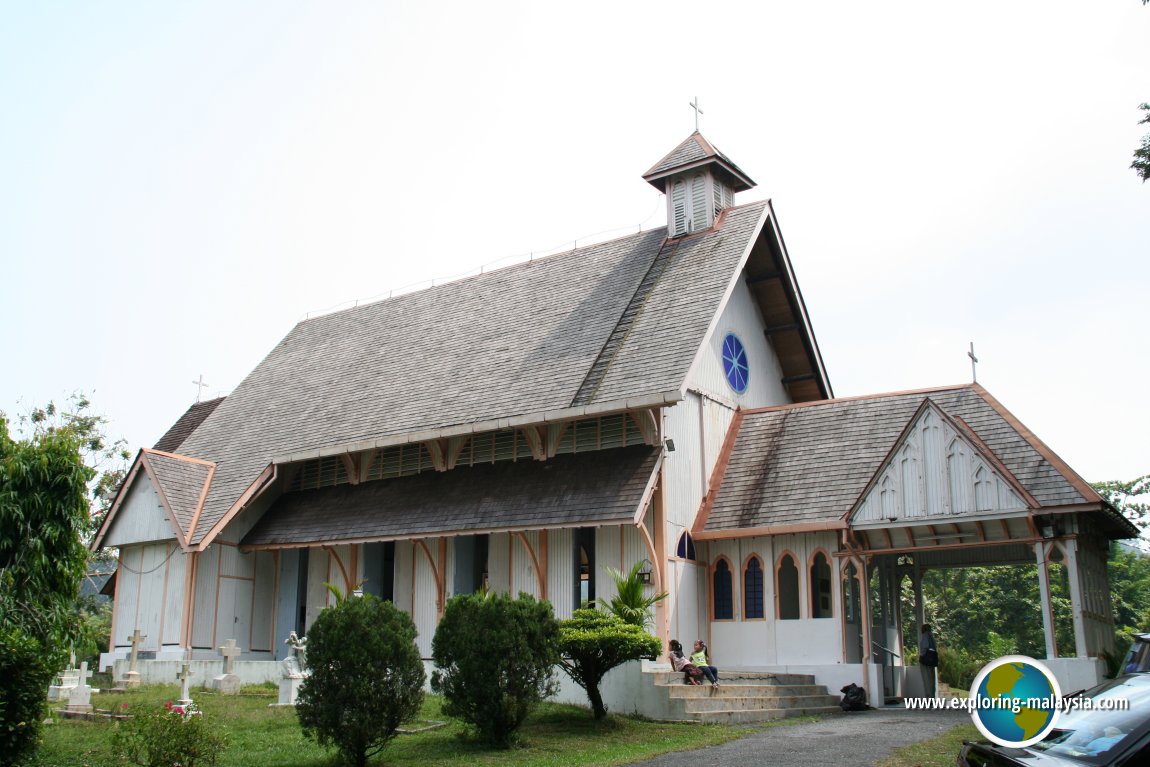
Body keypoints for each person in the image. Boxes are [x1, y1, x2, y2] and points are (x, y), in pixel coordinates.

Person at [918, 623, 938, 697]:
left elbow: (924, 646)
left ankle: (928, 696)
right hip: (931, 660)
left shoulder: (925, 636)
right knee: (931, 679)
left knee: (926, 679)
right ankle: (932, 696)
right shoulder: (931, 636)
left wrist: (921, 655)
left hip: (925, 660)